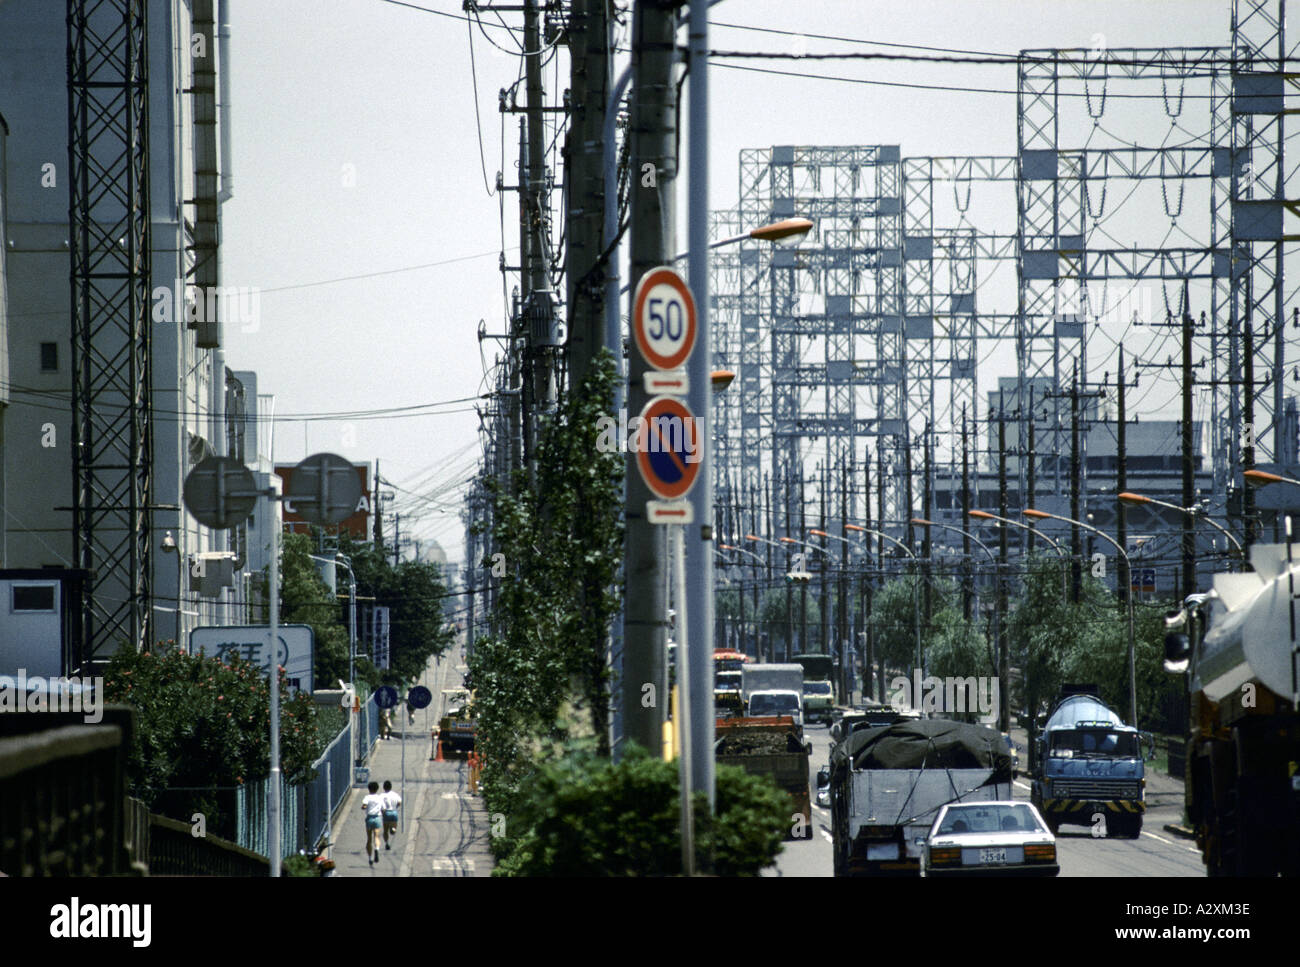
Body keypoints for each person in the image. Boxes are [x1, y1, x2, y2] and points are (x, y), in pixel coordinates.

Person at [361, 780, 384, 864]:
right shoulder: (379, 798)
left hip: (369, 818)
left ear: (369, 789)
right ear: (377, 789)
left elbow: (364, 806)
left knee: (369, 839)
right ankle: (377, 849)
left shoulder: (367, 797)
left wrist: (363, 807)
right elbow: (383, 808)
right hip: (377, 818)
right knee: (377, 837)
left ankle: (370, 858)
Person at [381, 780, 402, 849]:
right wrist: (396, 807)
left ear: (384, 787)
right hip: (394, 812)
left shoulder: (382, 795)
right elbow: (399, 802)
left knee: (385, 831)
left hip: (386, 813)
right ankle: (393, 829)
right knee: (394, 826)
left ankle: (387, 843)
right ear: (391, 787)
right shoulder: (395, 794)